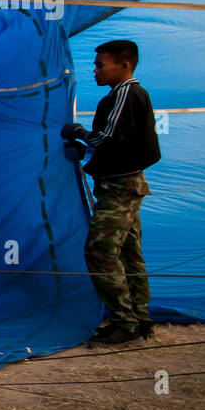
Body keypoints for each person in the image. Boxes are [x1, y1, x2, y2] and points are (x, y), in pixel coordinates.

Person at [61, 39, 161, 346]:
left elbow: (106, 139)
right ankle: (139, 319)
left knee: (100, 251)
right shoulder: (125, 95)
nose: (95, 71)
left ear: (124, 65)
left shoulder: (126, 93)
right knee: (130, 254)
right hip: (126, 184)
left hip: (120, 187)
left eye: (100, 65)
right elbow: (119, 143)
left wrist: (77, 132)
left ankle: (125, 324)